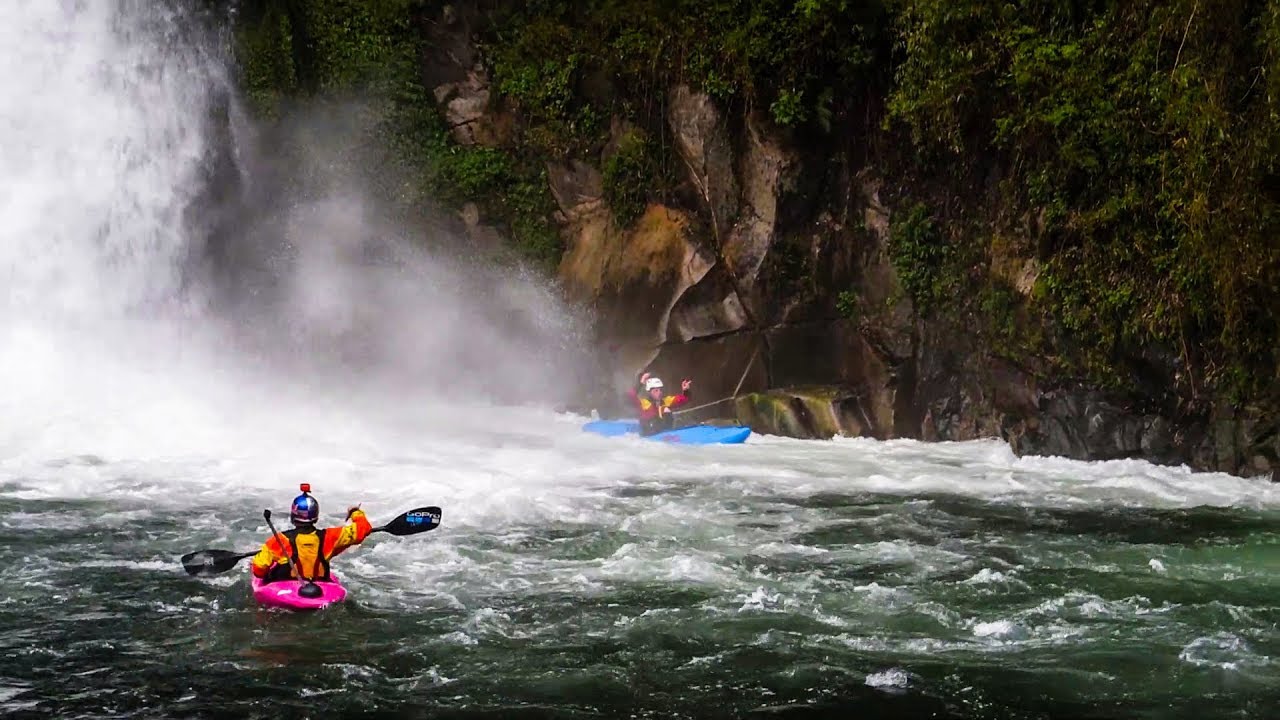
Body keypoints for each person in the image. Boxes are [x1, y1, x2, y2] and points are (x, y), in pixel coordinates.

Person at [251, 483, 373, 584]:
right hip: (319, 585)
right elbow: (363, 528)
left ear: (293, 516)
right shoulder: (331, 537)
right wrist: (355, 512)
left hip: (286, 588)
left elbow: (258, 569)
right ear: (316, 517)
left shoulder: (279, 541)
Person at [627, 375, 692, 436]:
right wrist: (640, 384)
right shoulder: (643, 403)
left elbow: (684, 399)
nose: (659, 392)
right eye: (656, 390)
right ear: (649, 392)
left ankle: (668, 433)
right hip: (647, 435)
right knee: (663, 410)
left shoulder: (666, 401)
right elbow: (630, 396)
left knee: (665, 409)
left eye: (660, 390)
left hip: (662, 434)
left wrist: (686, 391)